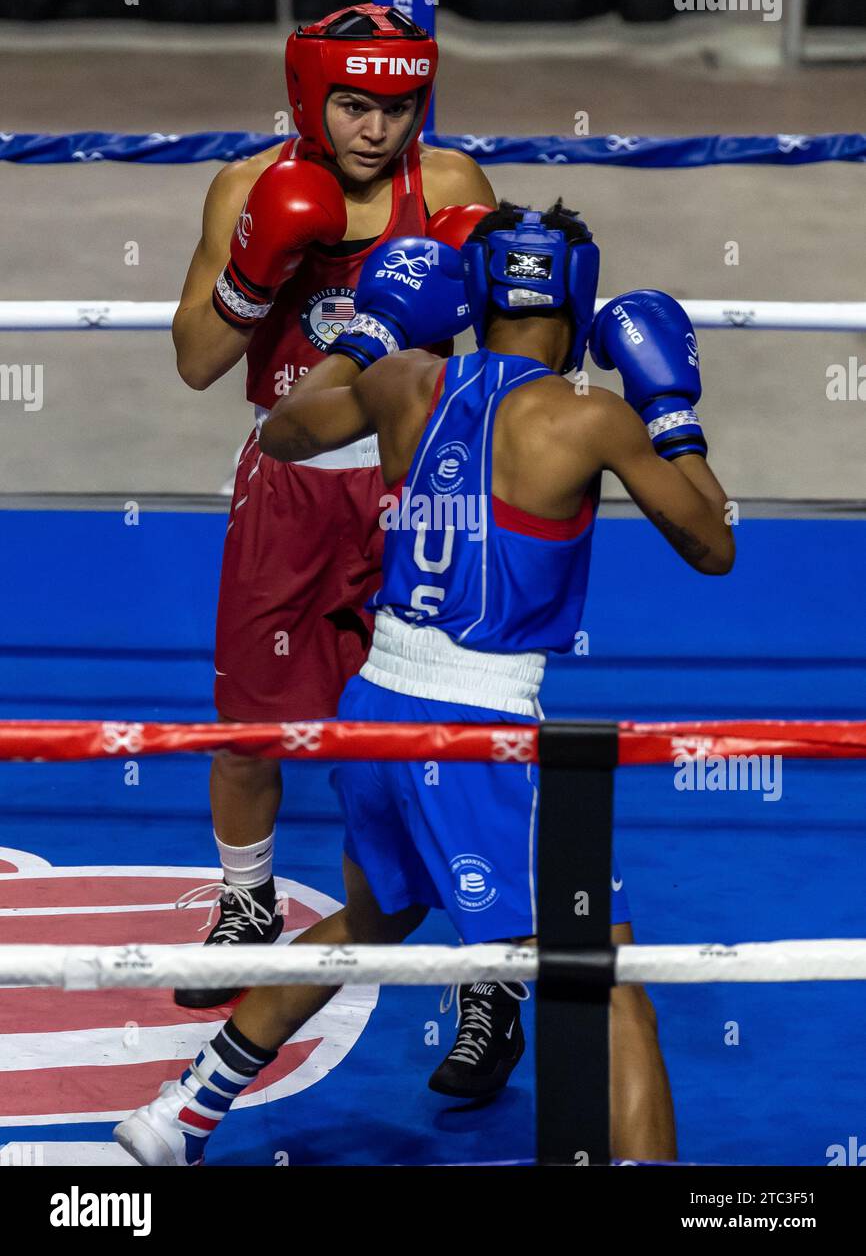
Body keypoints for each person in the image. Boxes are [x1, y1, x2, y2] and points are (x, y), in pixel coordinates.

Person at [115, 201, 733, 1166]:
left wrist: (366, 334)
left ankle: (177, 1115)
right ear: (578, 294)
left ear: (476, 290)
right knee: (610, 985)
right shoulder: (591, 417)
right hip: (480, 725)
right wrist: (672, 407)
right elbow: (713, 544)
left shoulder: (405, 381)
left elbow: (282, 430)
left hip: (377, 707)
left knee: (375, 916)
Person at [170, 2, 495, 1015]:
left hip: (413, 485)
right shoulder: (246, 187)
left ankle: (488, 962)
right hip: (290, 481)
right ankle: (244, 904)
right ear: (314, 96)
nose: (375, 130)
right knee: (248, 729)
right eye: (354, 105)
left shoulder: (447, 185)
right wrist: (252, 273)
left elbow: (505, 360)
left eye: (397, 108)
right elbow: (194, 362)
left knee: (452, 733)